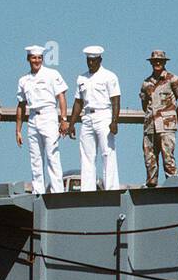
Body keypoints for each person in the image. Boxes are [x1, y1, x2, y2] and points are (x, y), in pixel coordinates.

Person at [15, 46, 69, 194]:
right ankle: (38, 191)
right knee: (35, 158)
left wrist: (64, 119)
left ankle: (57, 191)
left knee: (52, 154)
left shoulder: (52, 74)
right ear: (28, 59)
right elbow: (20, 105)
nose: (36, 61)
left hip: (49, 115)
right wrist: (18, 130)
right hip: (33, 118)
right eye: (33, 58)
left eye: (39, 58)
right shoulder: (23, 80)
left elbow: (62, 97)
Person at [68, 47, 121, 192]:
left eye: (94, 60)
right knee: (86, 155)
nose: (90, 63)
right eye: (88, 60)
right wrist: (71, 124)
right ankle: (87, 190)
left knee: (107, 152)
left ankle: (111, 189)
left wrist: (114, 121)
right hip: (87, 117)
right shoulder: (81, 78)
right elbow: (78, 102)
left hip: (104, 115)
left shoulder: (109, 76)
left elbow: (115, 100)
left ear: (100, 60)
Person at [139, 51, 178, 187]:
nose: (157, 63)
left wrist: (173, 116)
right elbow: (144, 104)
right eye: (155, 60)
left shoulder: (173, 79)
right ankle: (151, 184)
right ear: (151, 62)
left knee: (168, 158)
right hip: (150, 125)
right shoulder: (146, 83)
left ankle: (172, 185)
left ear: (164, 62)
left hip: (166, 125)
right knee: (149, 158)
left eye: (160, 61)